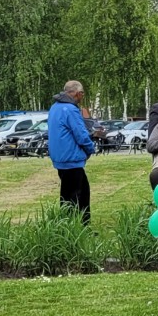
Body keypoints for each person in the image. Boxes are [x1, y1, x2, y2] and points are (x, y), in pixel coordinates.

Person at [47, 80, 96, 223]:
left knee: (67, 194)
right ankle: (79, 226)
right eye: (82, 93)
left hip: (60, 158)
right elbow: (81, 134)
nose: (82, 96)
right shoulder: (71, 109)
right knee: (79, 196)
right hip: (71, 158)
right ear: (77, 93)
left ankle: (67, 224)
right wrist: (90, 149)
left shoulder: (55, 107)